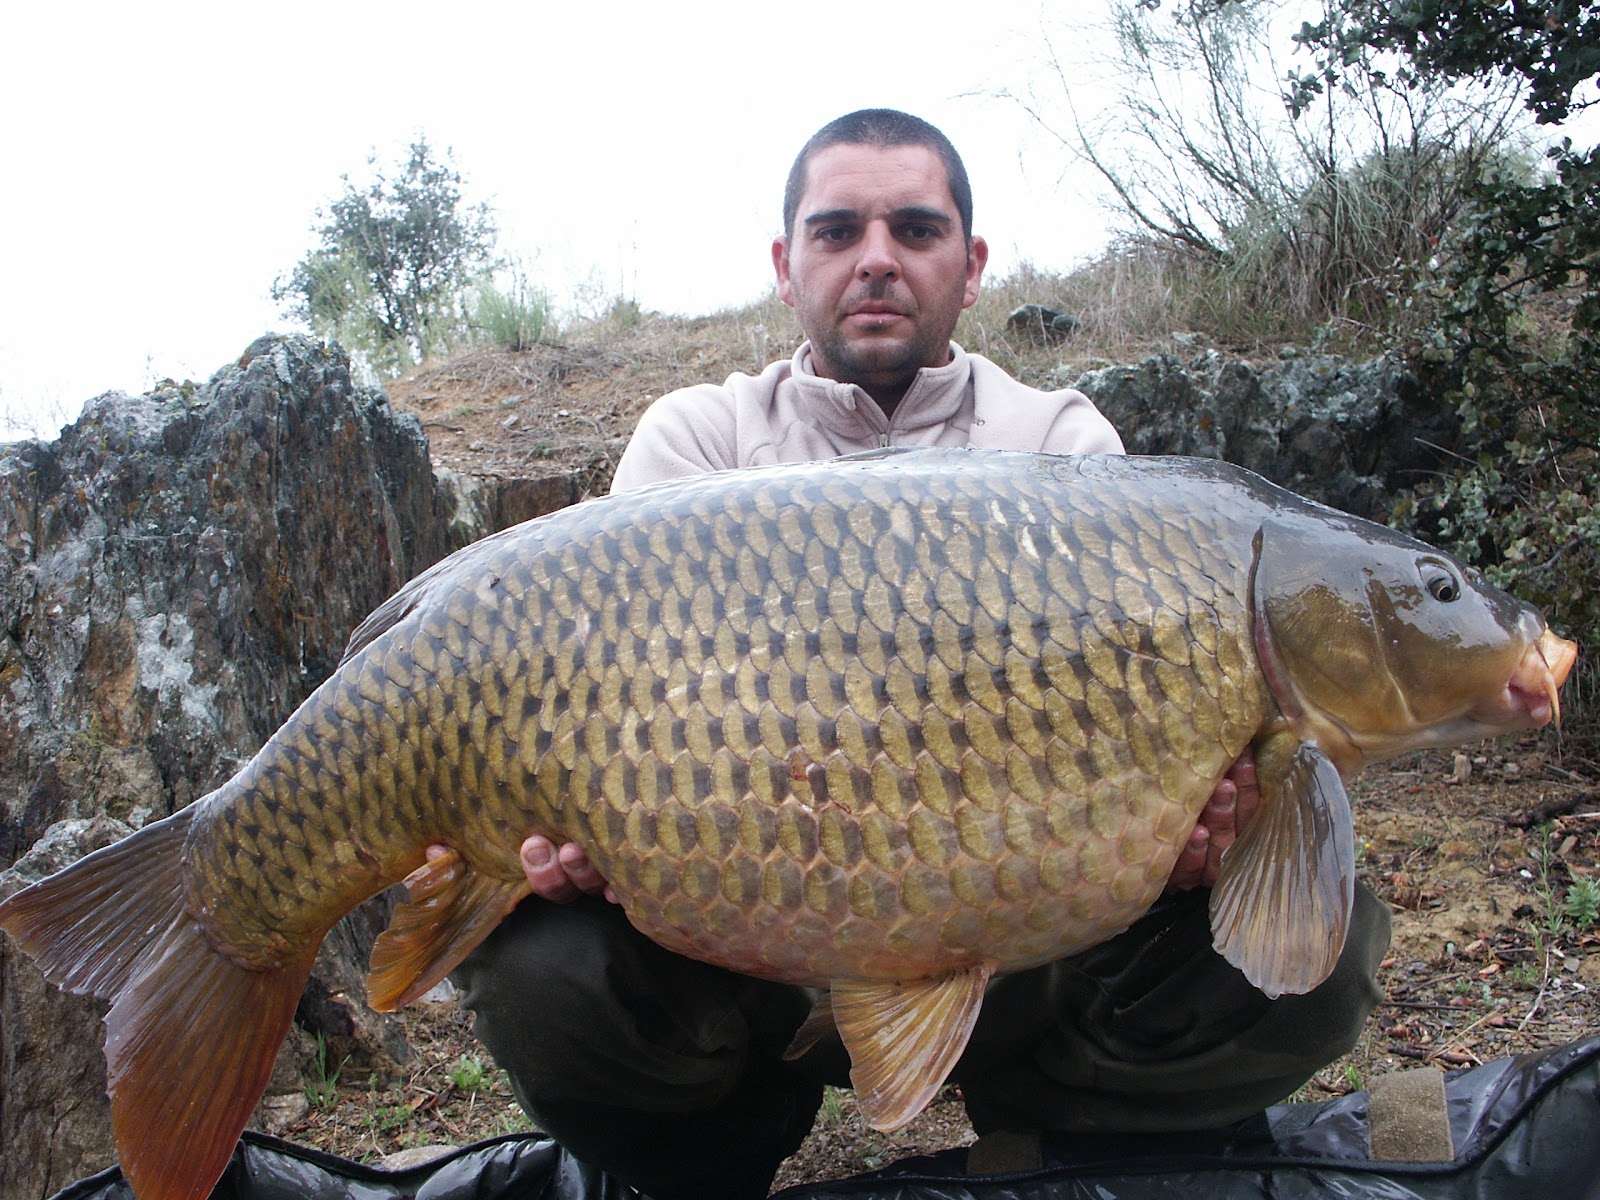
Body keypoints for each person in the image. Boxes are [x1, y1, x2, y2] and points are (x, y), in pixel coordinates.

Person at [446, 109, 1390, 1200]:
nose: (877, 259)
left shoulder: (1062, 448)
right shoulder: (695, 446)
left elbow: (1166, 763)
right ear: (785, 264)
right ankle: (712, 1153)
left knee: (1324, 931)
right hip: (741, 950)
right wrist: (582, 842)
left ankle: (1061, 1139)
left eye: (916, 229)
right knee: (541, 969)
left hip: (1024, 952)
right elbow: (601, 713)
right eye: (838, 230)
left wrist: (1183, 838)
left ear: (973, 263)